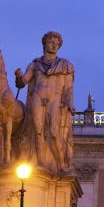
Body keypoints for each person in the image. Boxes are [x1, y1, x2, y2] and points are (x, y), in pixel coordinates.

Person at [15, 31, 75, 174]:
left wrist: (70, 104)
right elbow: (23, 82)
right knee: (38, 132)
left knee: (55, 132)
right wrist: (18, 77)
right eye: (51, 42)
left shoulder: (65, 65)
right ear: (45, 43)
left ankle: (60, 165)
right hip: (37, 96)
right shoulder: (35, 64)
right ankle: (41, 165)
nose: (54, 45)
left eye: (57, 44)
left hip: (55, 99)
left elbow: (68, 89)